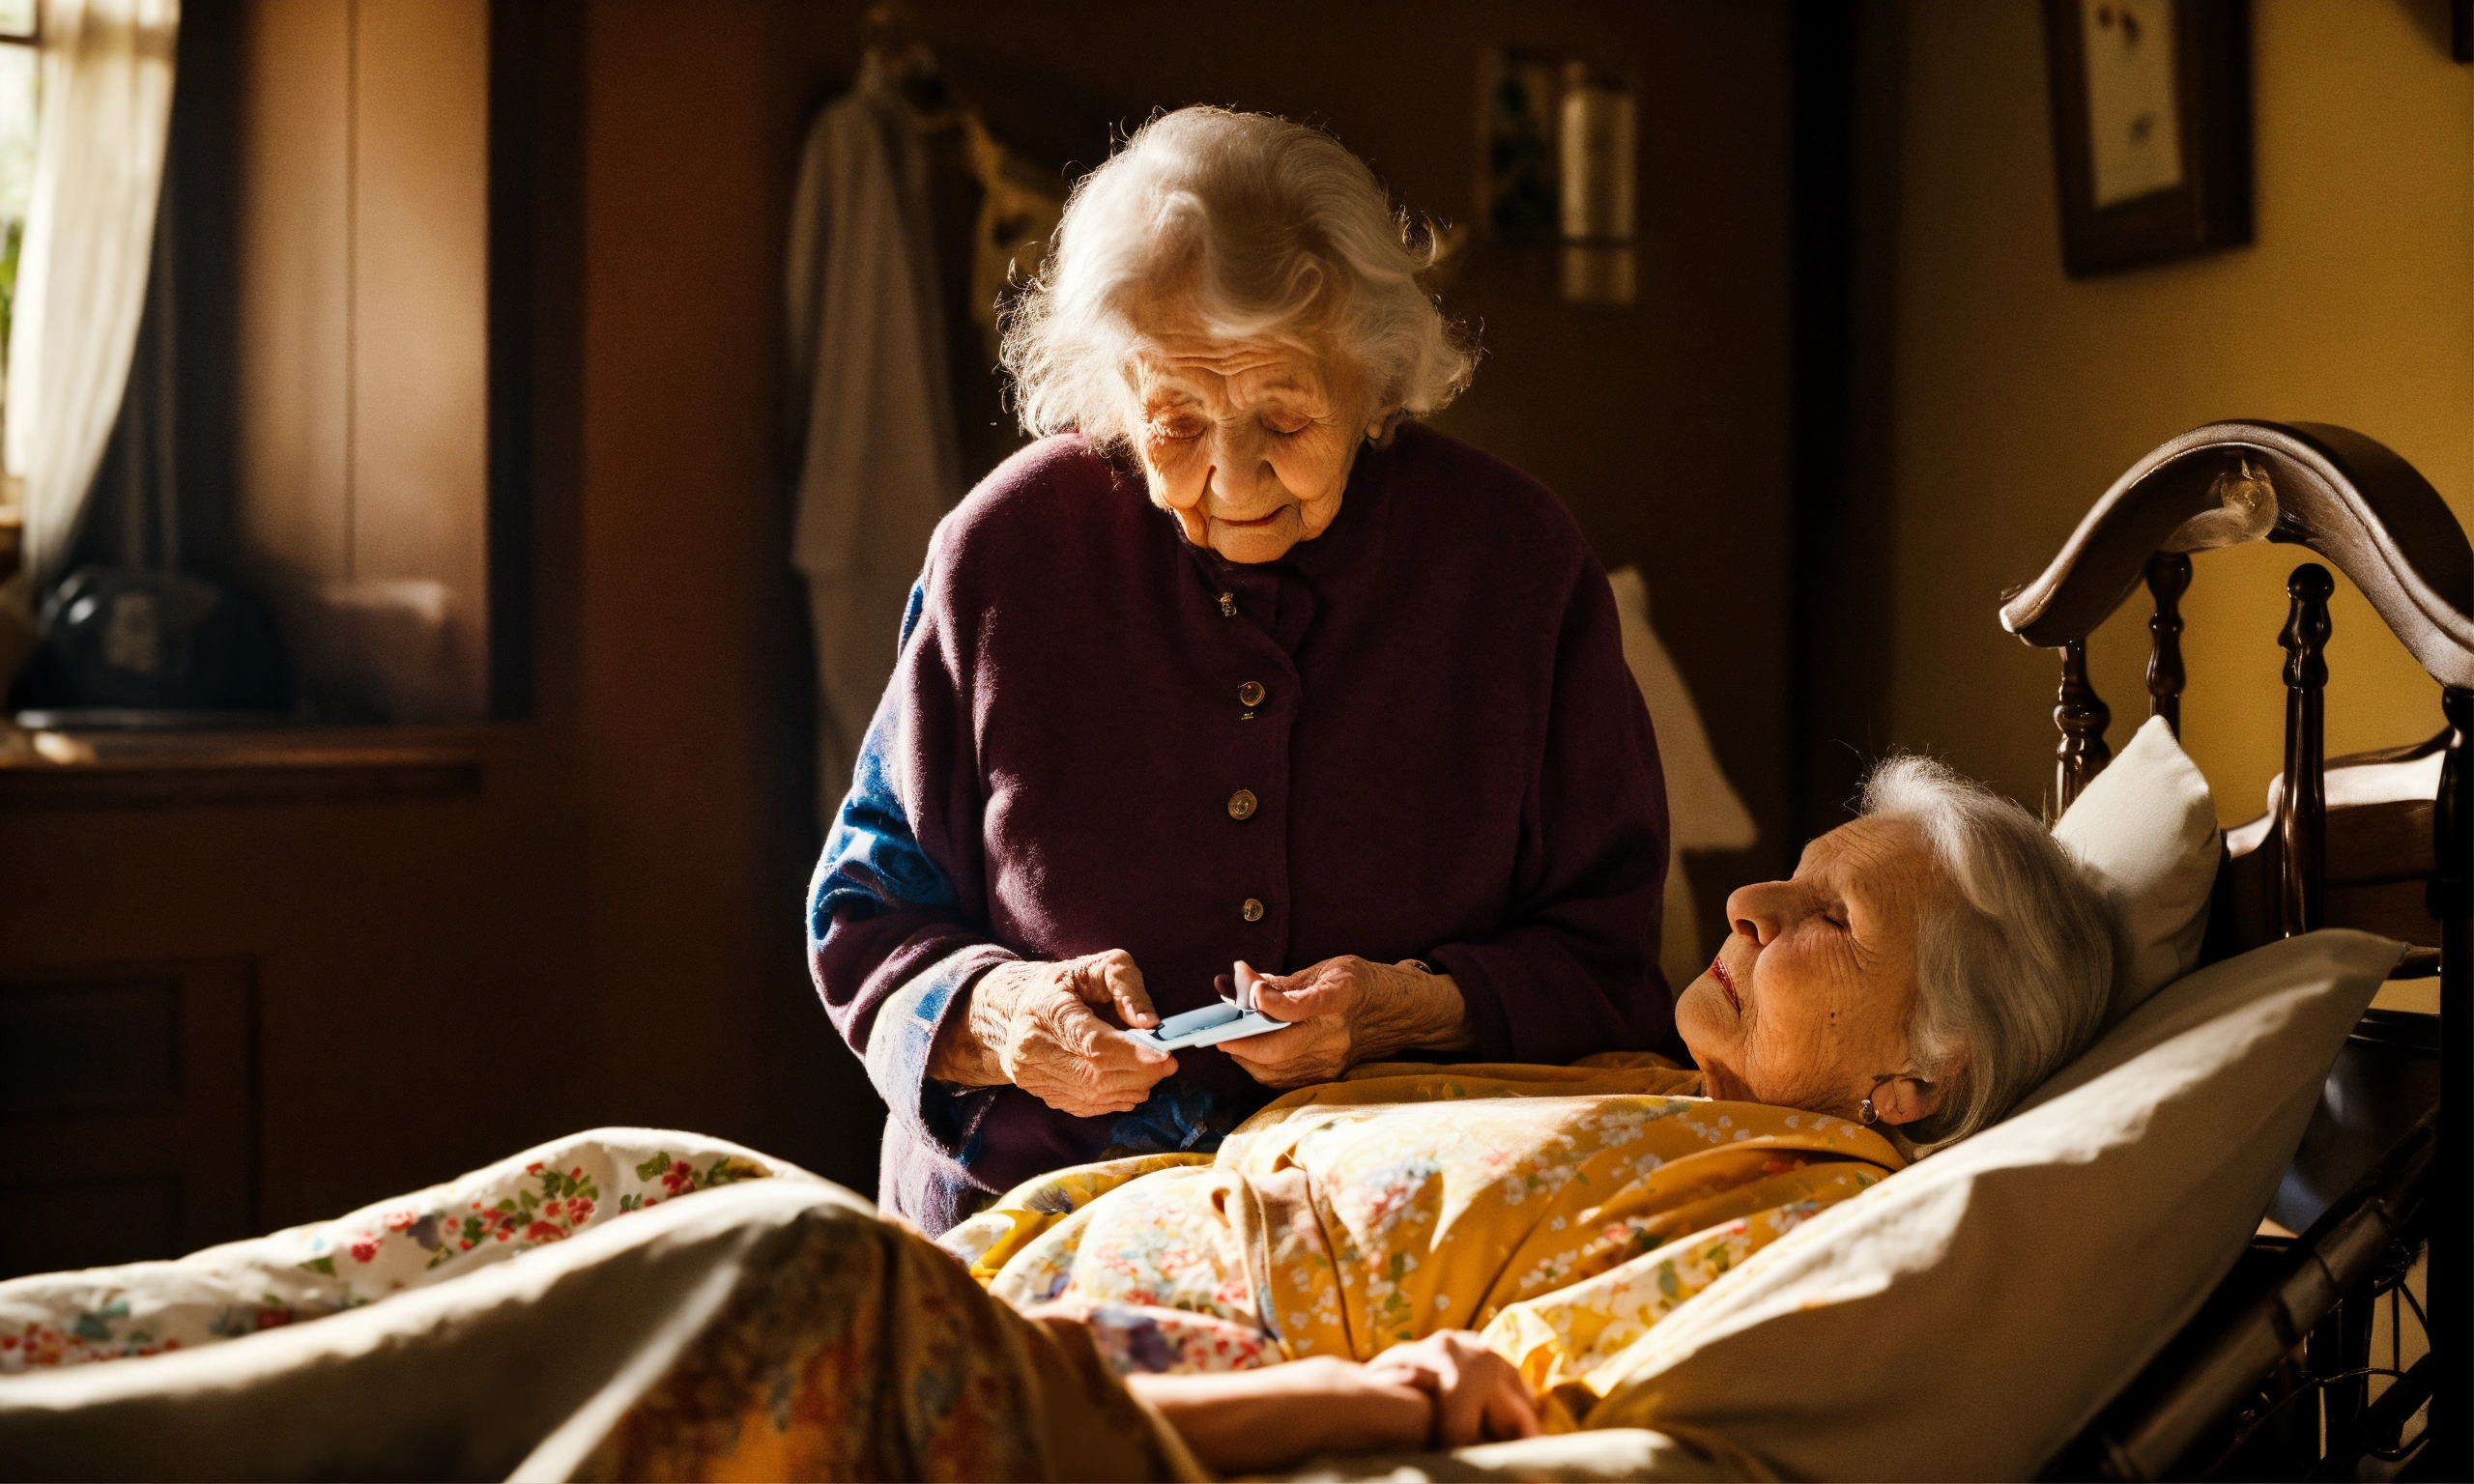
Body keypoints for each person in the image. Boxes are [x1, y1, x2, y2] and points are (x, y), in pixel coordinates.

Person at [808, 104, 1675, 1233]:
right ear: (1116, 392)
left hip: (1391, 1226)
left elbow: (1607, 956)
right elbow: (866, 910)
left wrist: (1408, 1011)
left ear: (1378, 382)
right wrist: (1003, 1010)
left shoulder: (1514, 562)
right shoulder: (1007, 548)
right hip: (1031, 1215)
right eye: (1175, 419)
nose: (1232, 475)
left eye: (1283, 413)